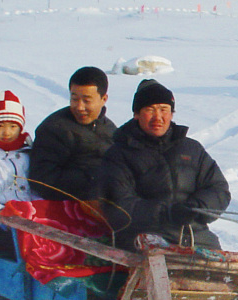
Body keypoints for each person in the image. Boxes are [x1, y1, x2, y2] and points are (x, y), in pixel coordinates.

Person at [96, 79, 230, 250]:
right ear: (136, 114)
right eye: (150, 110)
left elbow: (218, 188)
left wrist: (197, 207)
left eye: (163, 109)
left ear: (172, 113)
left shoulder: (191, 149)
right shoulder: (119, 154)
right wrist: (166, 213)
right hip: (142, 237)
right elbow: (118, 204)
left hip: (195, 235)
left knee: (224, 270)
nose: (158, 117)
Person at [29, 66, 117, 201]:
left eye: (87, 100)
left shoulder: (110, 129)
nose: (79, 107)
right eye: (74, 99)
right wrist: (91, 179)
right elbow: (41, 180)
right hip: (70, 204)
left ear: (103, 99)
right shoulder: (55, 129)